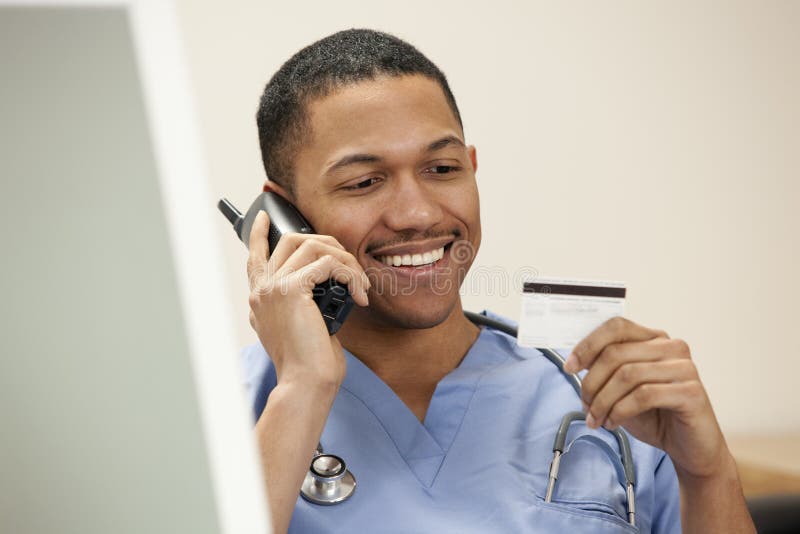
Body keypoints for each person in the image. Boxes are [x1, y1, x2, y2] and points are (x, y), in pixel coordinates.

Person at [240, 29, 755, 533]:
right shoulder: (224, 410)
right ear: (284, 210)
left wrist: (707, 473)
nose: (417, 213)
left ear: (472, 167)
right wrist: (301, 390)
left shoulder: (609, 394)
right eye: (364, 182)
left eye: (442, 168)